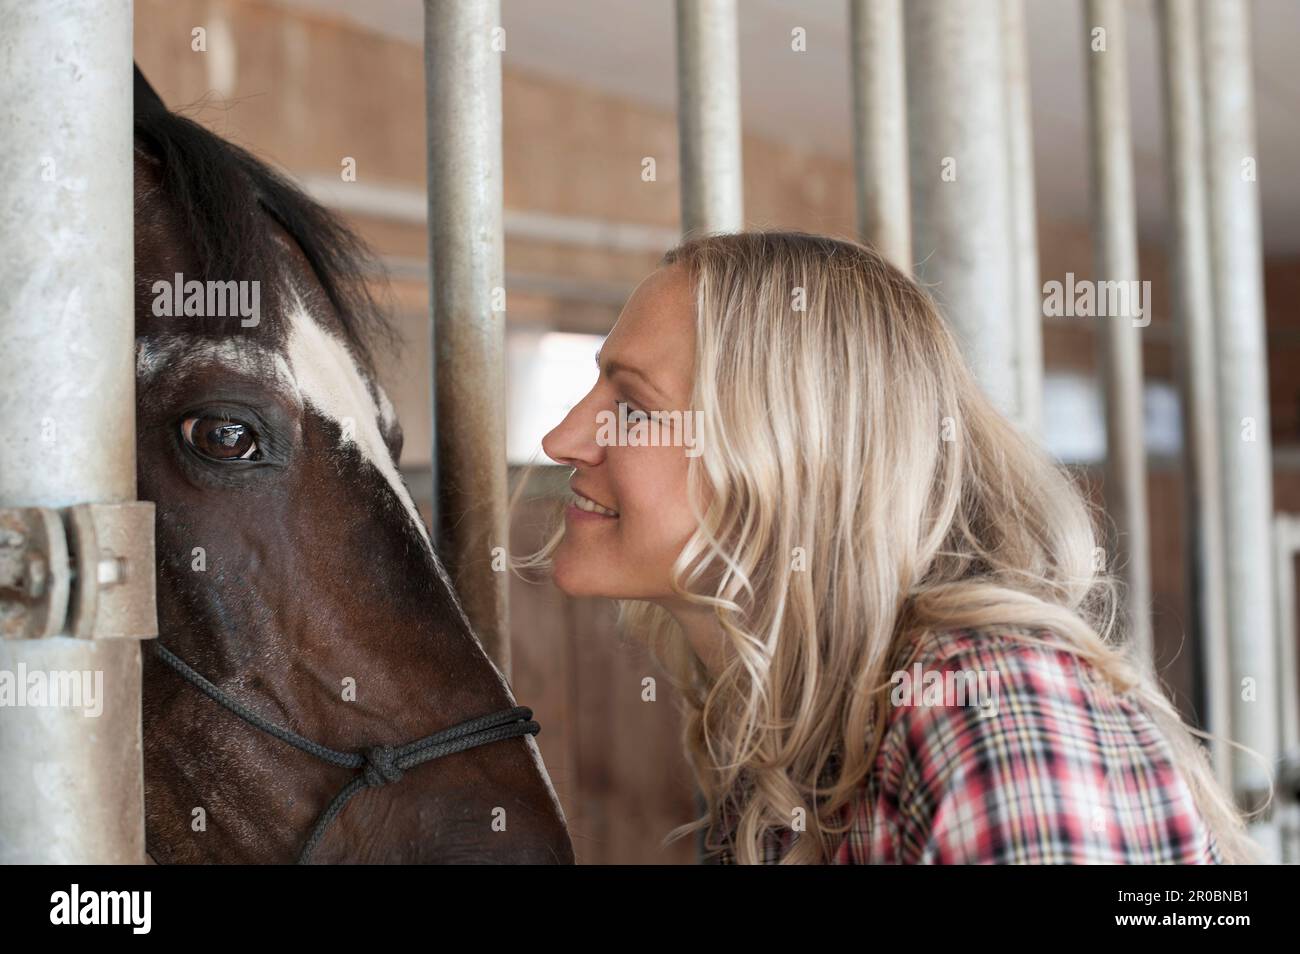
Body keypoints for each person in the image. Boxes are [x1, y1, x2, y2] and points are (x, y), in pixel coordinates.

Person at [531, 230, 1255, 864]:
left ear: (795, 455)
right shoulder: (789, 733)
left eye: (631, 407)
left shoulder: (986, 706)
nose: (562, 439)